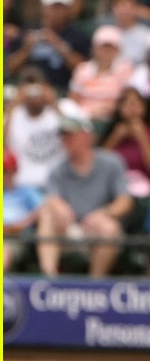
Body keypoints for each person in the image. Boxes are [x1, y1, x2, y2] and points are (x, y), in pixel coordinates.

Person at [36, 111, 132, 277]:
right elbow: (52, 197)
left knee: (109, 228)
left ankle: (95, 284)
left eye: (71, 135)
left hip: (97, 229)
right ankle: (49, 279)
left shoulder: (111, 163)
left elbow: (125, 201)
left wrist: (104, 213)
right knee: (47, 213)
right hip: (70, 229)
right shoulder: (57, 170)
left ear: (87, 136)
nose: (66, 140)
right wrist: (57, 205)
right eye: (63, 136)